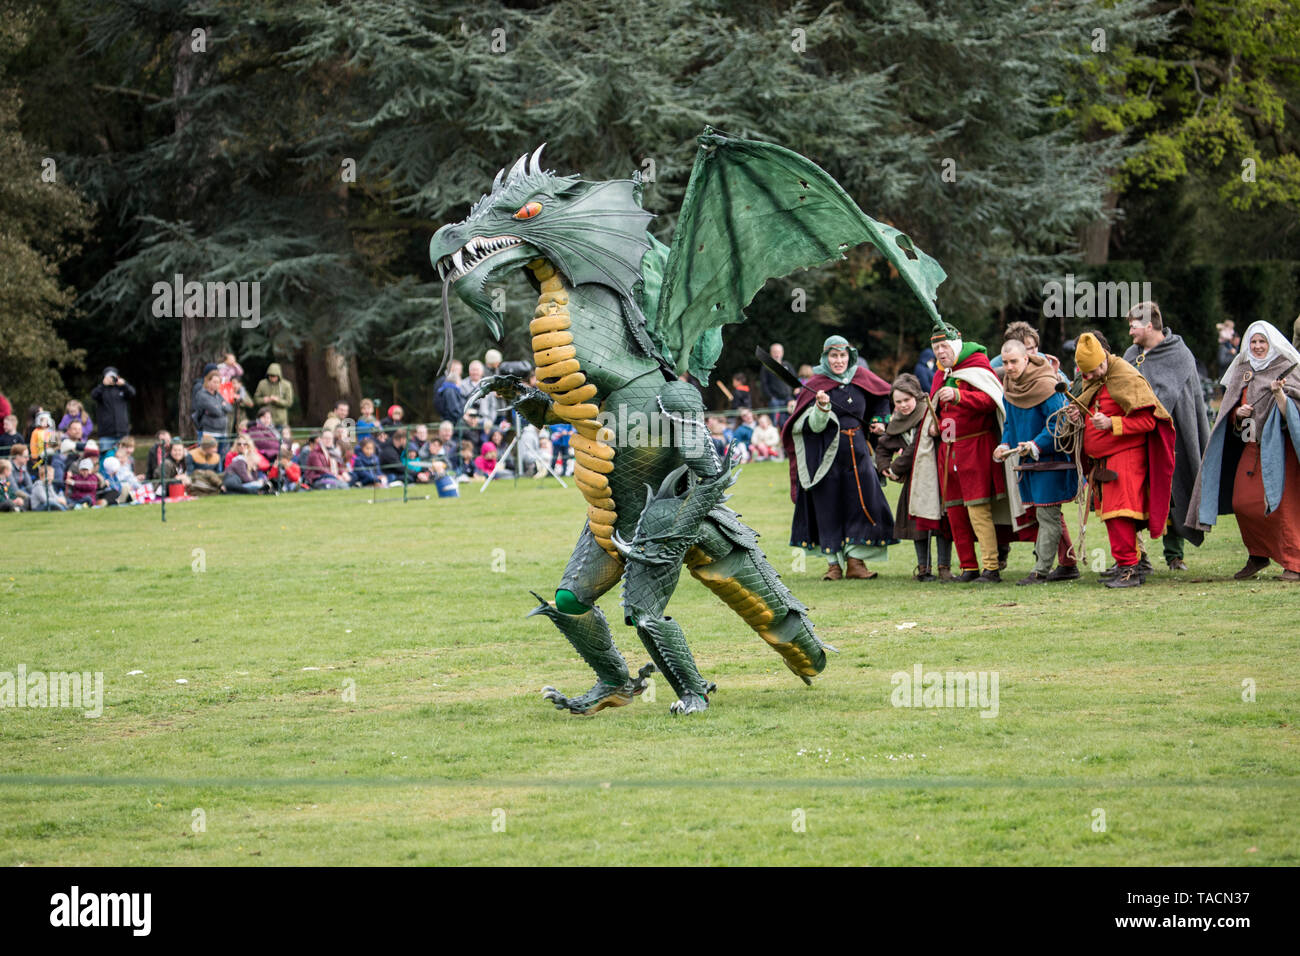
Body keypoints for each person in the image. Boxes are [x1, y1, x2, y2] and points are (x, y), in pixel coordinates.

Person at [909, 324, 1026, 583]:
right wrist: (933, 426)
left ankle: (991, 568)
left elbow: (992, 401)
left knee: (978, 510)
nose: (940, 352)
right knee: (955, 513)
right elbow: (942, 413)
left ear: (956, 345)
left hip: (975, 450)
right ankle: (968, 567)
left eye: (944, 346)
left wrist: (961, 396)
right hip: (948, 452)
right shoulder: (941, 375)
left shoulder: (977, 367)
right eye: (936, 347)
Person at [1187, 321, 1300, 581]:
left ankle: (1294, 562)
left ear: (1271, 344)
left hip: (1280, 448)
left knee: (1282, 506)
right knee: (1243, 502)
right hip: (1250, 445)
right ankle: (1258, 554)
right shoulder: (1242, 369)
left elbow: (1293, 415)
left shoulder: (1286, 368)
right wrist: (1238, 413)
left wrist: (1280, 395)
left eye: (1263, 342)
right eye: (1254, 342)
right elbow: (1231, 412)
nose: (1258, 347)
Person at [781, 335, 895, 580]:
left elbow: (883, 399)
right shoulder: (816, 384)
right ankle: (834, 564)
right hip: (826, 457)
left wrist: (878, 421)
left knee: (862, 504)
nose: (839, 360)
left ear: (850, 357)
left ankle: (856, 562)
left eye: (843, 355)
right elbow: (810, 426)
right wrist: (821, 408)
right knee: (827, 506)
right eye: (834, 356)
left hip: (859, 454)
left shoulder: (862, 377)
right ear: (825, 358)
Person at [1069, 332, 1176, 588]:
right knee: (1112, 515)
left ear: (1104, 360)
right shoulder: (1095, 378)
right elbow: (1094, 406)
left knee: (1119, 515)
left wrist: (1111, 423)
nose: (1090, 377)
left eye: (1095, 371)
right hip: (1105, 460)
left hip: (1126, 458)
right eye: (1086, 374)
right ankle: (1129, 563)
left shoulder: (1125, 377)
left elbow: (1150, 420)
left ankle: (1129, 569)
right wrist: (1079, 417)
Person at [1122, 301, 1211, 572]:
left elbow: (1179, 398)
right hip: (1137, 437)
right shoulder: (1131, 354)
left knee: (1174, 492)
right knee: (1136, 495)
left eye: (1133, 326)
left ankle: (1174, 554)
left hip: (1174, 437)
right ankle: (1137, 555)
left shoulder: (1179, 354)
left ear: (1149, 325)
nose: (1130, 332)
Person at [995, 339, 1080, 584]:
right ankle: (1068, 564)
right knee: (1043, 514)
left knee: (1048, 516)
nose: (1009, 367)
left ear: (1026, 359)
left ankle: (1040, 571)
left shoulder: (1047, 384)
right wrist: (1004, 444)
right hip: (1027, 463)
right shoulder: (1009, 386)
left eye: (1014, 361)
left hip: (1050, 461)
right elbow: (1010, 423)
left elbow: (1059, 423)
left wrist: (1035, 444)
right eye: (1005, 362)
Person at [875, 373, 953, 581]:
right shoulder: (896, 421)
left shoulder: (930, 413)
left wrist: (895, 468)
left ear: (917, 397)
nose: (903, 405)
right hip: (914, 481)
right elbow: (883, 446)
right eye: (898, 401)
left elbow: (915, 448)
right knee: (918, 525)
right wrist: (884, 466)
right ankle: (923, 568)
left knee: (943, 524)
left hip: (936, 475)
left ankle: (944, 567)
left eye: (907, 400)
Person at [90, 366, 134, 454]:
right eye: (109, 376)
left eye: (113, 376)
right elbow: (93, 395)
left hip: (122, 432)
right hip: (106, 433)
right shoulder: (101, 390)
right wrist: (103, 385)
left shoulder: (122, 389)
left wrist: (124, 384)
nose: (111, 379)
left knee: (124, 458)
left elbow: (132, 393)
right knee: (105, 458)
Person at [194, 371, 233, 452]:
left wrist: (220, 406)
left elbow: (230, 408)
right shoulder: (202, 395)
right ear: (208, 381)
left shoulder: (218, 395)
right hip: (209, 432)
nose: (217, 384)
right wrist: (222, 406)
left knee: (221, 458)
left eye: (218, 382)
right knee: (209, 457)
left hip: (222, 432)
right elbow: (216, 411)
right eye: (214, 382)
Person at [759, 343, 798, 414]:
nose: (777, 354)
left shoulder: (787, 365)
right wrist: (771, 398)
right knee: (775, 421)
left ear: (782, 353)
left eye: (779, 352)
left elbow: (795, 378)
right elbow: (764, 384)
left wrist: (796, 388)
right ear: (771, 353)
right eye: (775, 352)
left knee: (792, 418)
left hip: (788, 398)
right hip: (775, 400)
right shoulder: (766, 367)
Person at [253, 363, 295, 427]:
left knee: (281, 436)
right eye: (271, 376)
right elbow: (256, 399)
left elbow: (289, 403)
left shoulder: (286, 385)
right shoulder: (262, 384)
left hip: (280, 420)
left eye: (274, 376)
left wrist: (278, 400)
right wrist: (263, 400)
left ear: (279, 375)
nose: (272, 378)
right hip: (266, 421)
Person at [436, 360, 467, 425]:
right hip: (451, 419)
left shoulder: (453, 384)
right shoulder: (446, 384)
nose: (460, 372)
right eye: (458, 369)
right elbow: (439, 402)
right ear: (451, 369)